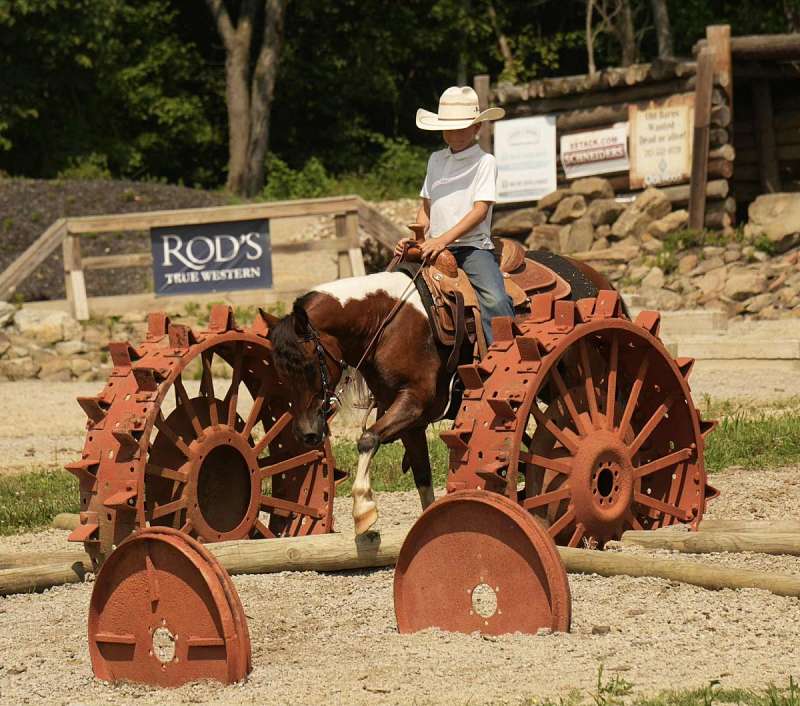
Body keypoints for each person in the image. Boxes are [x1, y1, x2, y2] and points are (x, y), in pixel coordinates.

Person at [394, 85, 514, 345]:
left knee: (495, 298)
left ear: (476, 128)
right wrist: (416, 237)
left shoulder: (485, 162)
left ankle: (504, 354)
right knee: (392, 290)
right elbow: (426, 207)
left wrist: (442, 240)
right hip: (433, 246)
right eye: (449, 128)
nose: (456, 133)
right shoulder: (436, 160)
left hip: (471, 248)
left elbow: (480, 211)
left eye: (462, 127)